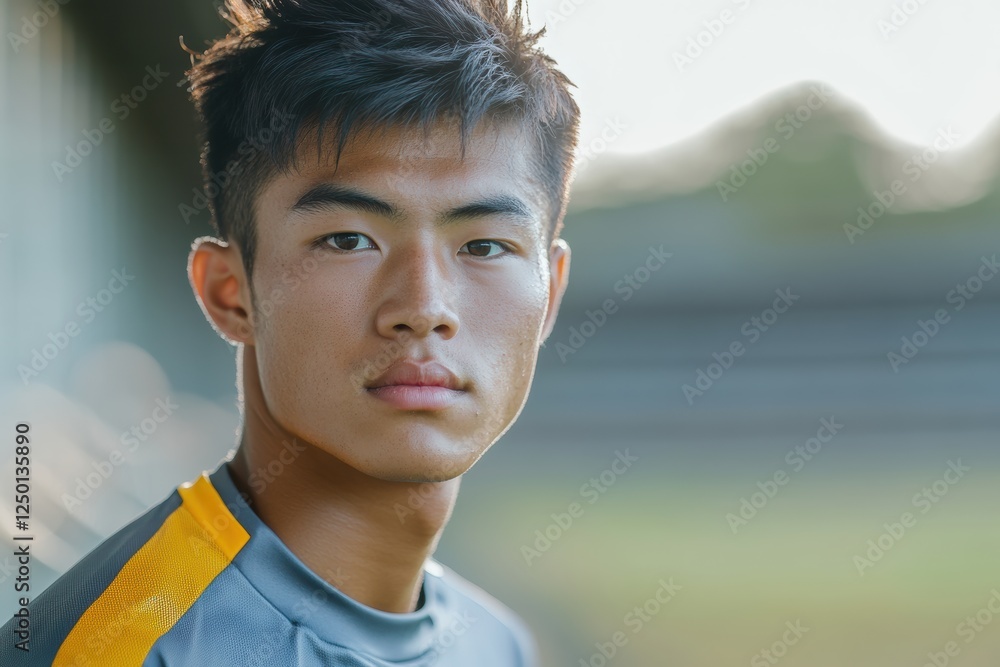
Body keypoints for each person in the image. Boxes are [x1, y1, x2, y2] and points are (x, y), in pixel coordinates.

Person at [1, 0, 580, 663]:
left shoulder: (494, 644)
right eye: (348, 238)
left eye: (483, 246)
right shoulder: (126, 648)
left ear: (551, 291)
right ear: (230, 291)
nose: (423, 306)